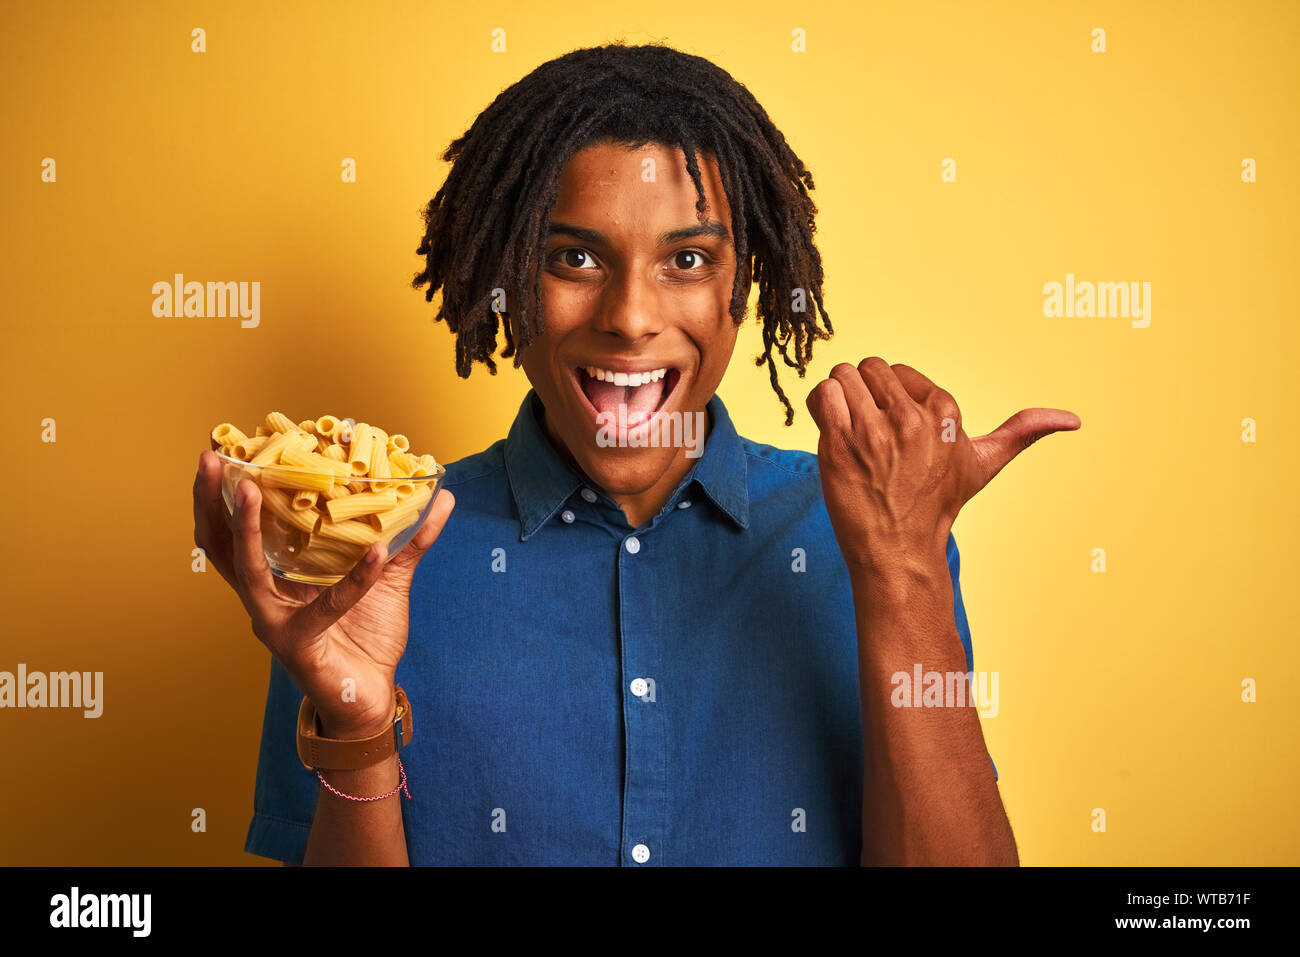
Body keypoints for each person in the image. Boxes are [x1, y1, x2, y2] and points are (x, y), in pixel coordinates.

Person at [192, 42, 1078, 866]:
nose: (629, 316)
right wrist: (356, 721)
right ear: (505, 277)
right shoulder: (373, 555)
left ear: (746, 283)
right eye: (575, 257)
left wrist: (905, 567)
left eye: (687, 259)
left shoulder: (876, 533)